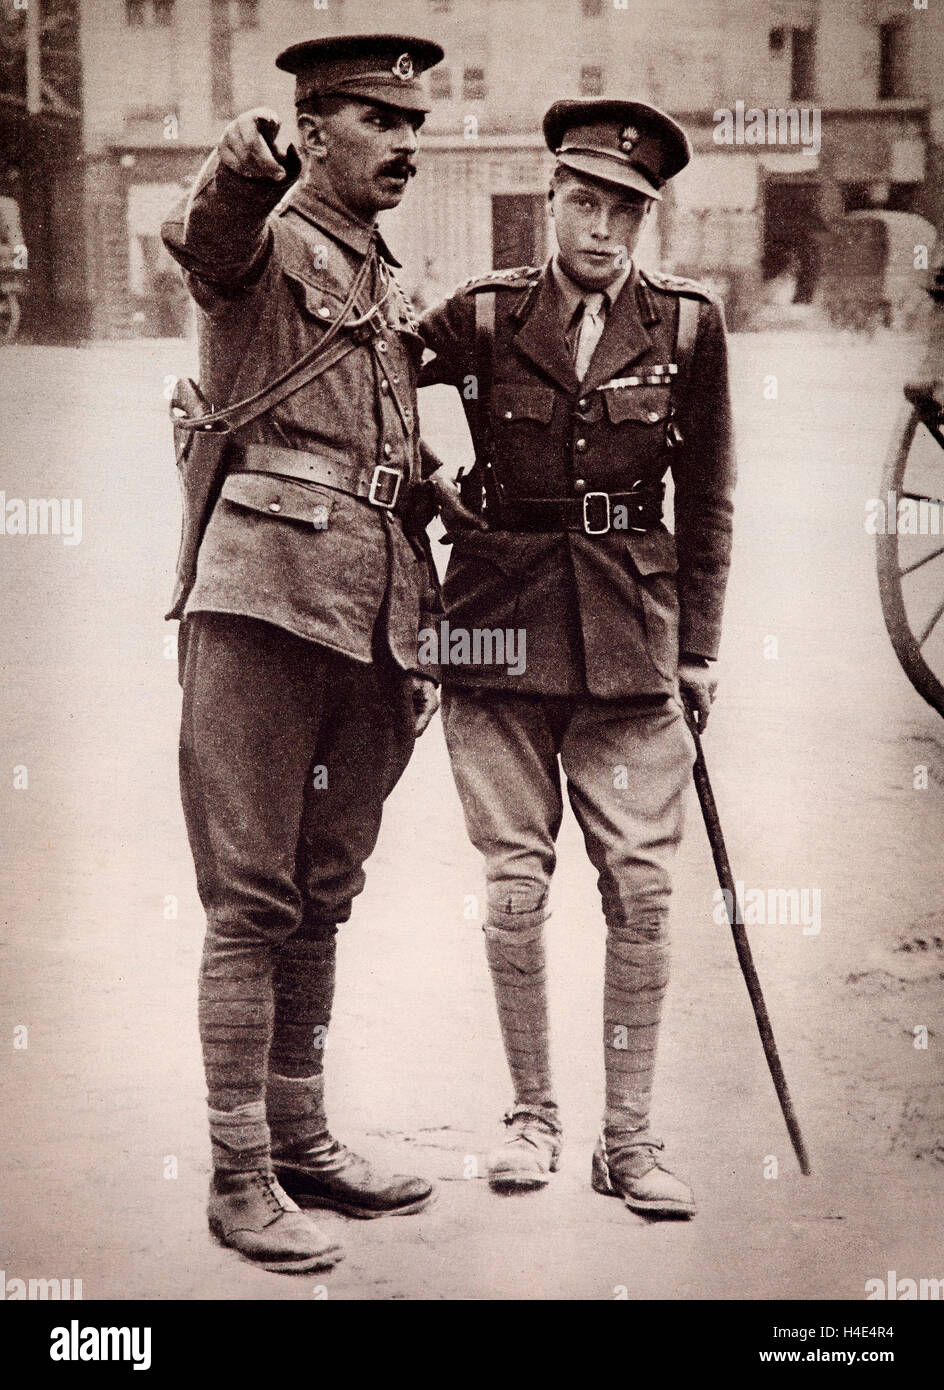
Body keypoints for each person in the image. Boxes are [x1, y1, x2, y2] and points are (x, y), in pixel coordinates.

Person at [419, 99, 736, 1219]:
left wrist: (696, 652)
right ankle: (531, 1117)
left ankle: (628, 1140)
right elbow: (368, 390)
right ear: (548, 197)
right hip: (493, 631)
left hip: (631, 641)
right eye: (584, 201)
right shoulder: (481, 315)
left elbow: (706, 503)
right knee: (512, 889)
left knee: (642, 895)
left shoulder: (690, 328)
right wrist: (423, 484)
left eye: (626, 210)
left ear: (647, 217)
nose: (602, 229)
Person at [161, 33, 445, 1273]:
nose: (404, 145)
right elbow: (205, 239)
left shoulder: (381, 277)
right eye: (379, 120)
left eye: (413, 125)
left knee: (324, 890)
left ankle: (300, 1138)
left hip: (373, 613)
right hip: (265, 600)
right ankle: (234, 1174)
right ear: (313, 128)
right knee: (253, 896)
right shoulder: (267, 238)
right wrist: (241, 163)